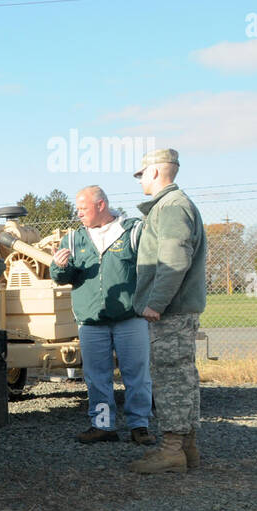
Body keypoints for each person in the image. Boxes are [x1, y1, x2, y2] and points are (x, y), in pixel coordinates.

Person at [50, 186, 153, 444]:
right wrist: (59, 266)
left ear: (101, 206)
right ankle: (103, 425)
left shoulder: (132, 231)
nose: (78, 214)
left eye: (83, 209)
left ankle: (139, 426)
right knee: (97, 378)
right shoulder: (74, 239)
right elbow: (61, 277)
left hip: (130, 318)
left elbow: (152, 268)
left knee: (136, 374)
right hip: (91, 322)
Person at [128, 148, 207, 474]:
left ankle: (172, 449)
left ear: (156, 173)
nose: (140, 179)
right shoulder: (175, 205)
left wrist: (155, 304)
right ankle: (186, 447)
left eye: (142, 173)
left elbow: (174, 260)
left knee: (171, 379)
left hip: (170, 311)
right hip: (176, 310)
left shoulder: (172, 207)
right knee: (184, 376)